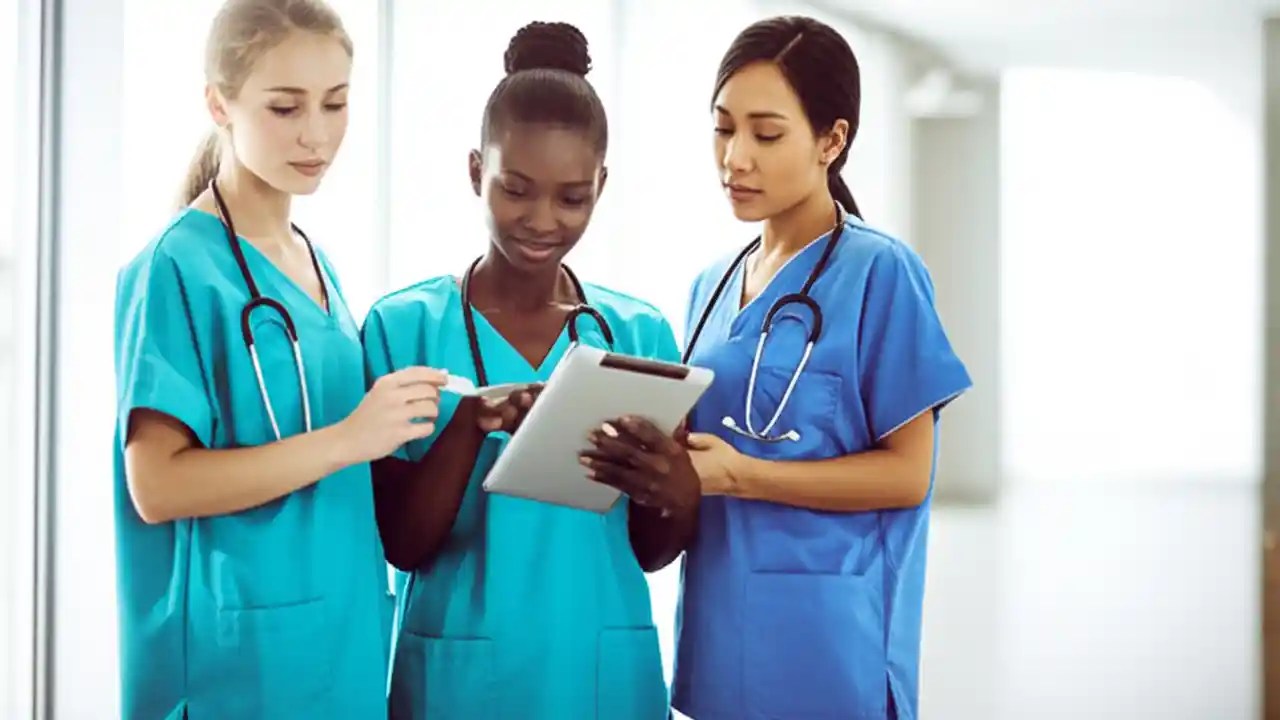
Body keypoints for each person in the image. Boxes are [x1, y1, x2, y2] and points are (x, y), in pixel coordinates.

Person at [112, 1, 445, 717]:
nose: (317, 135)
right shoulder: (174, 268)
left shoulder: (313, 264)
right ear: (219, 104)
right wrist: (349, 438)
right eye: (285, 107)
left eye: (336, 104)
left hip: (340, 644)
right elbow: (158, 486)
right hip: (239, 665)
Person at [361, 21, 699, 720]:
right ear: (475, 172)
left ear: (601, 186)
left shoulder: (640, 335)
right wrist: (467, 428)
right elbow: (402, 544)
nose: (542, 220)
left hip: (601, 678)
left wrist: (679, 492)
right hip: (460, 681)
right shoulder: (403, 328)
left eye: (572, 197)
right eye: (516, 189)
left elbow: (651, 552)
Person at [669, 15, 970, 720]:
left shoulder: (880, 273)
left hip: (831, 648)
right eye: (723, 128)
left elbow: (906, 473)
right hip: (719, 639)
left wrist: (740, 473)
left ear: (831, 141)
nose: (735, 158)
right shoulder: (710, 285)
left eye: (766, 134)